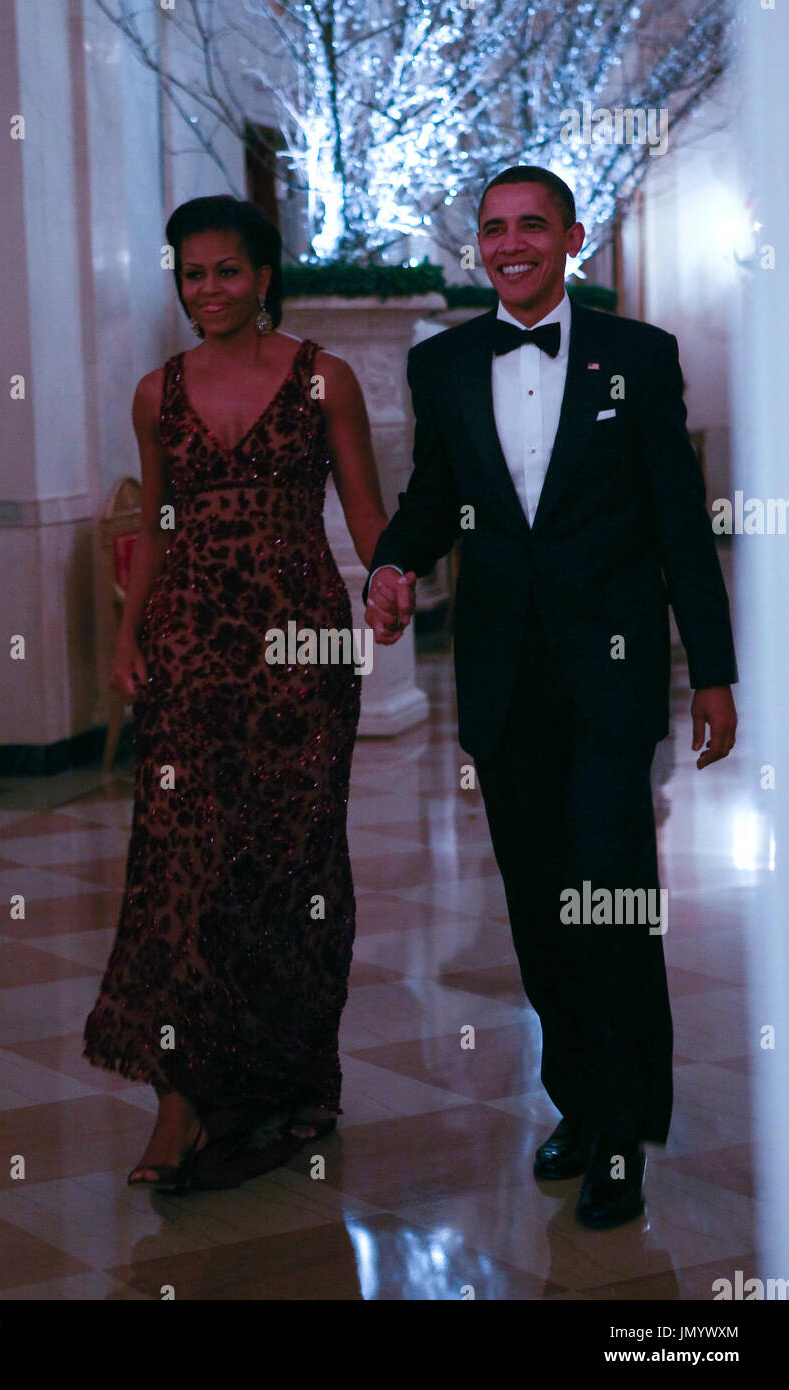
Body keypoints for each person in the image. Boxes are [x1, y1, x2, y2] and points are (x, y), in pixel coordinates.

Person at [363, 167, 738, 1230]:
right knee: (536, 906)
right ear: (478, 248)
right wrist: (394, 564)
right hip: (501, 682)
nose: (512, 243)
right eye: (494, 229)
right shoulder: (439, 365)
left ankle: (623, 1133)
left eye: (532, 225)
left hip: (612, 681)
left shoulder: (639, 355)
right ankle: (576, 1099)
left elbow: (677, 520)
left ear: (570, 238)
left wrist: (711, 670)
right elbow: (431, 498)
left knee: (611, 898)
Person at [83, 195, 390, 1192]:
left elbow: (365, 513)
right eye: (191, 273)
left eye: (225, 270)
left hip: (300, 654)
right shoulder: (153, 393)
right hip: (188, 649)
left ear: (264, 276)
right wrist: (131, 633)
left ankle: (285, 1076)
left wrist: (393, 580)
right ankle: (178, 1099)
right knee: (179, 868)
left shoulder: (322, 381)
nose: (207, 289)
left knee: (287, 862)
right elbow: (159, 528)